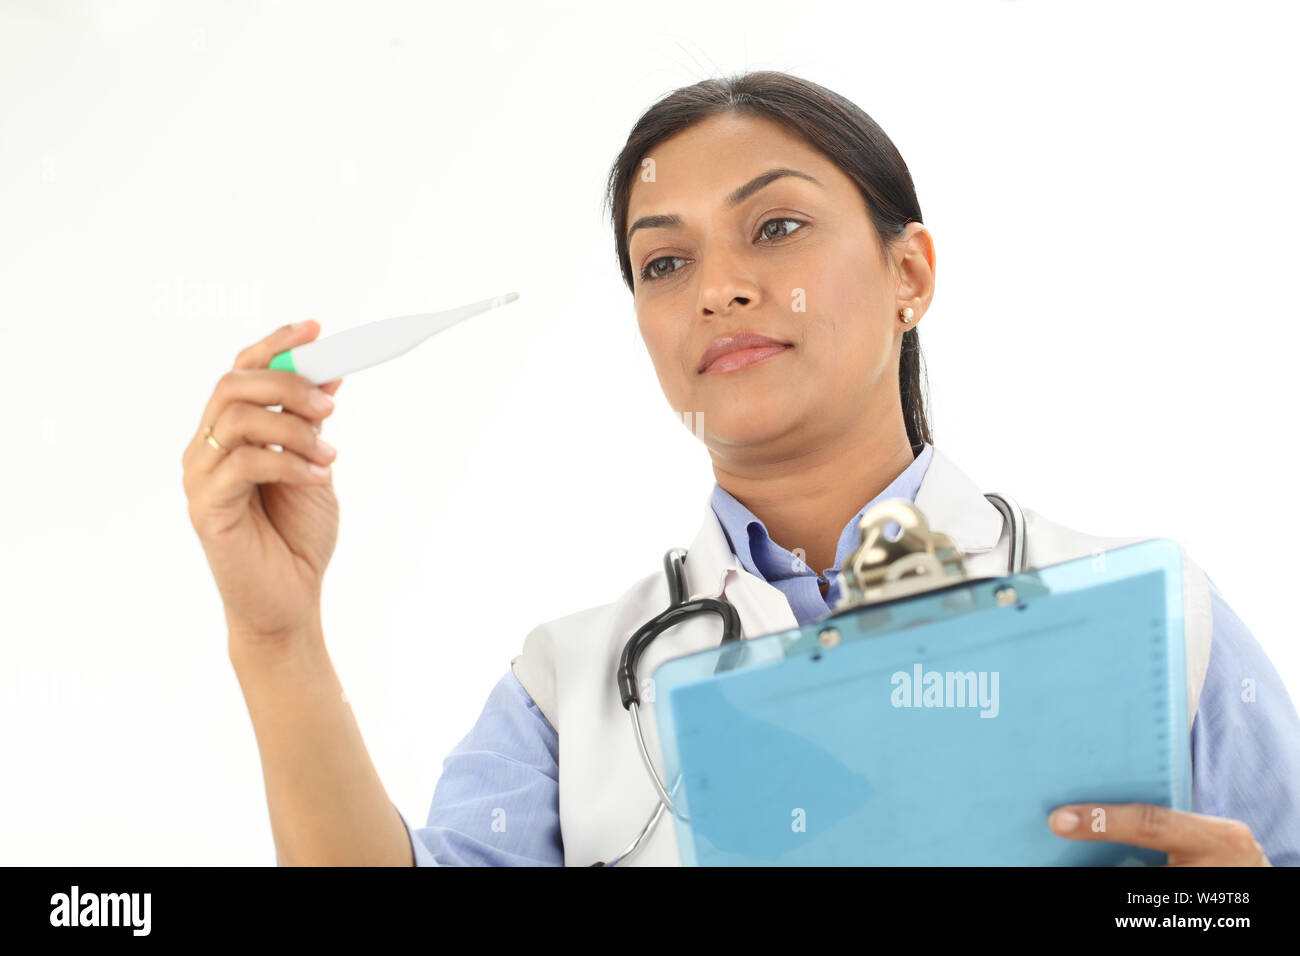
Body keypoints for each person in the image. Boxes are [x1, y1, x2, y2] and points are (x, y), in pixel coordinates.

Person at [182, 71, 1300, 867]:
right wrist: (276, 638)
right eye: (664, 260)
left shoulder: (1154, 618)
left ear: (909, 271)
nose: (716, 286)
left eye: (773, 228)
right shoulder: (566, 694)